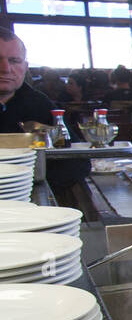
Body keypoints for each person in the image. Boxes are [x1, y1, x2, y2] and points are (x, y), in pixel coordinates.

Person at [0, 27, 88, 197]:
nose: (5, 68)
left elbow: (78, 160)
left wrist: (30, 186)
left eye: (14, 61)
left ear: (25, 67)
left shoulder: (39, 104)